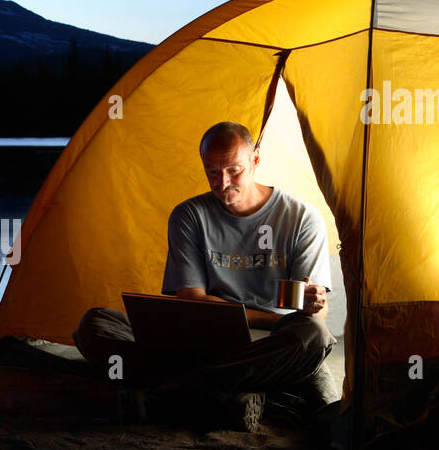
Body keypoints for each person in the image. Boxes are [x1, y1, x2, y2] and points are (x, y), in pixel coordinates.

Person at [72, 121, 338, 432]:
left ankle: (169, 396)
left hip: (272, 346)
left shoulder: (301, 219)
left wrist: (312, 307)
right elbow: (192, 302)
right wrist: (265, 319)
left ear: (255, 160)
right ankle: (235, 392)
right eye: (212, 171)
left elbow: (313, 316)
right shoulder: (189, 216)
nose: (223, 182)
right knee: (96, 324)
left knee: (313, 337)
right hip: (208, 341)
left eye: (234, 170)